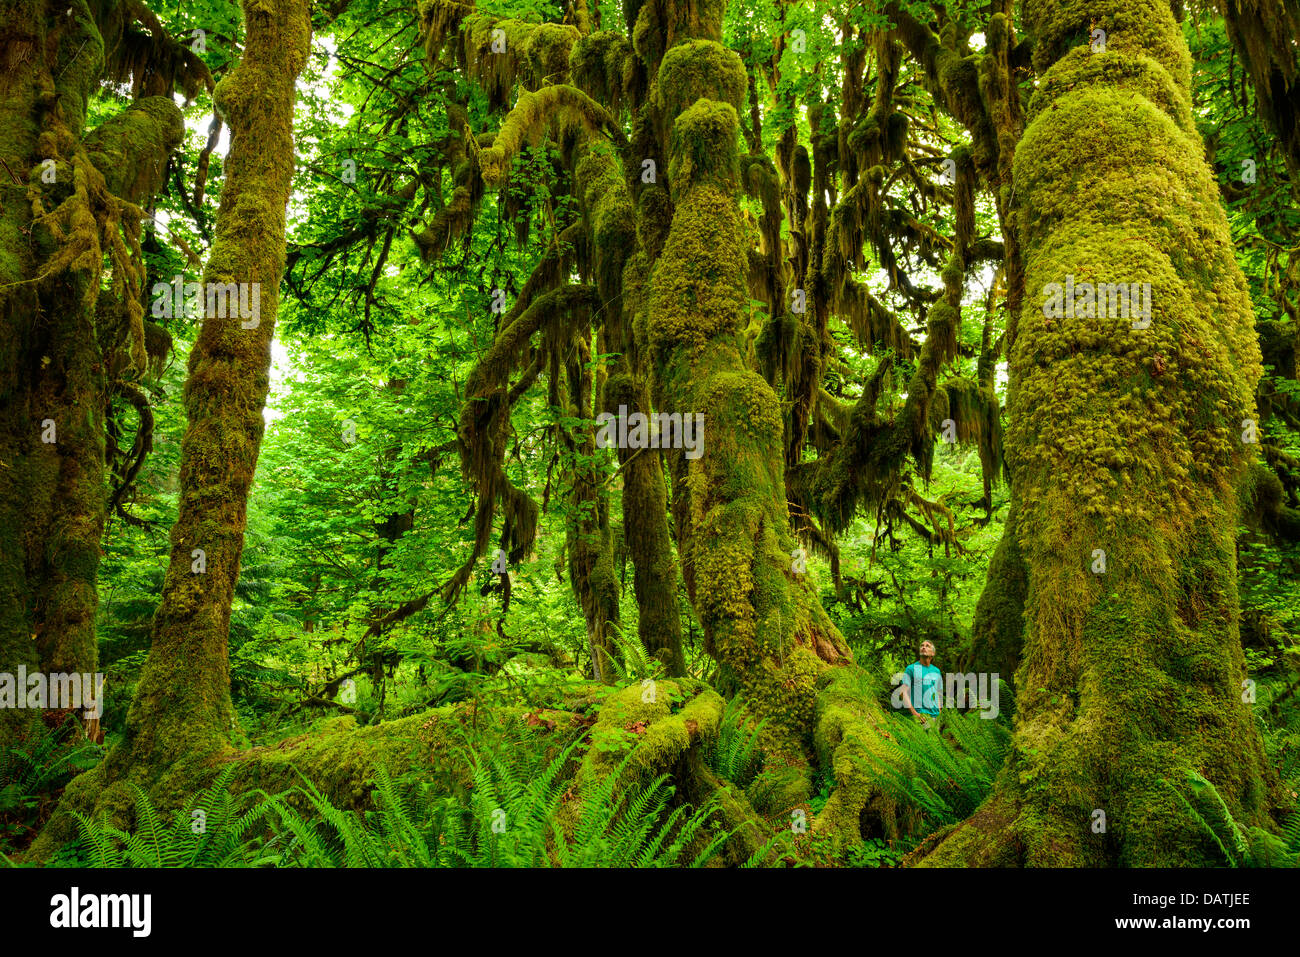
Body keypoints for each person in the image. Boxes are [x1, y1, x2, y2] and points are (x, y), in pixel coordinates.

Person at [899, 639, 942, 728]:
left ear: (933, 653)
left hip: (935, 716)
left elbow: (938, 693)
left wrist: (939, 712)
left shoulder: (936, 671)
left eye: (927, 646)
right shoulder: (911, 668)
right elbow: (902, 693)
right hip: (920, 715)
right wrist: (915, 713)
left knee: (934, 742)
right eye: (922, 645)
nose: (923, 647)